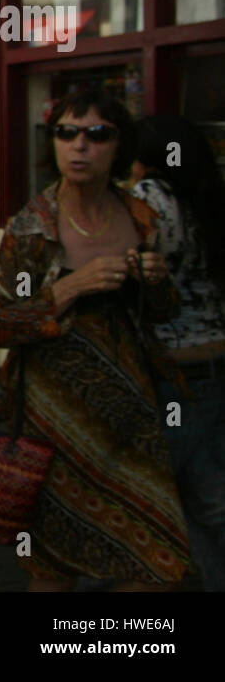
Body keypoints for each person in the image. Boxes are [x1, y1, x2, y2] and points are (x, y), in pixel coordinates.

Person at [0, 90, 188, 591]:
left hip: (131, 418)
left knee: (151, 560)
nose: (80, 146)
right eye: (66, 133)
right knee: (53, 566)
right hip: (53, 421)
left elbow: (166, 314)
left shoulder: (143, 217)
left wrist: (157, 280)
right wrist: (69, 288)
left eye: (97, 134)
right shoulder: (32, 226)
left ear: (119, 145)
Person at [129, 115, 225, 590]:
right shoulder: (208, 198)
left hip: (174, 367)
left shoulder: (152, 200)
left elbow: (134, 275)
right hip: (213, 362)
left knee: (155, 490)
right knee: (206, 495)